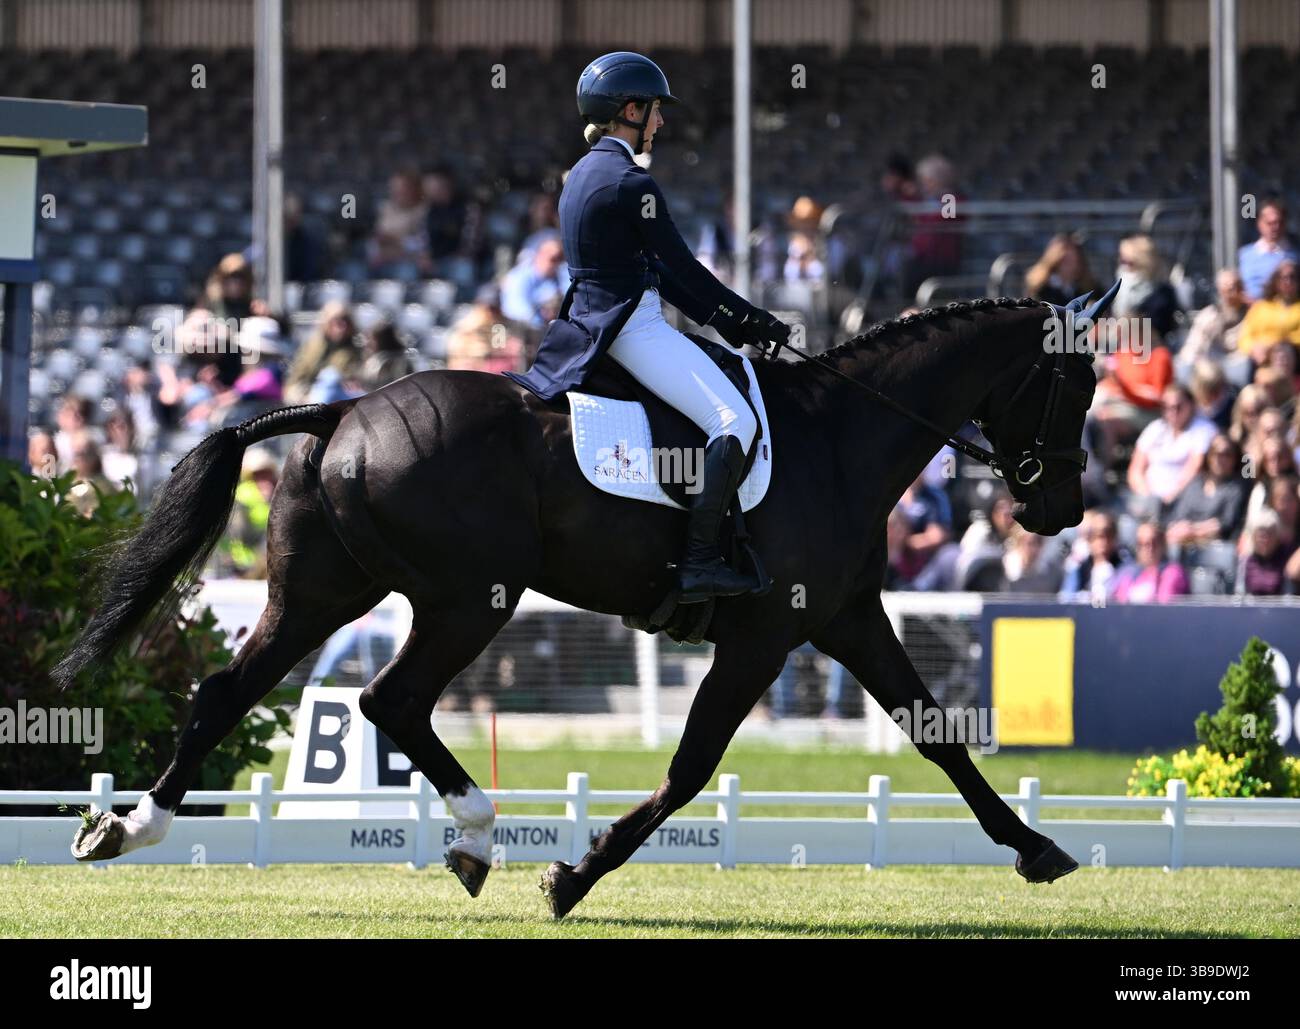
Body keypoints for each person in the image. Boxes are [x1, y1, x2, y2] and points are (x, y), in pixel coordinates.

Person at [503, 52, 789, 603]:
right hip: (632, 327)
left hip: (590, 322)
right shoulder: (631, 182)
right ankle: (700, 562)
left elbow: (661, 273)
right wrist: (751, 319)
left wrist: (741, 326)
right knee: (735, 420)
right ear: (630, 110)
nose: (661, 123)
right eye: (655, 111)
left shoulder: (580, 175)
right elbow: (682, 270)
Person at [1126, 384, 1217, 519]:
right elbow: (1135, 469)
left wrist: (1171, 496)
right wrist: (1147, 495)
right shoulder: (1155, 428)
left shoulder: (1203, 429)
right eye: (1167, 407)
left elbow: (1194, 467)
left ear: (1191, 405)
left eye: (1178, 407)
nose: (1173, 412)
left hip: (1182, 502)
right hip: (1148, 500)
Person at [1166, 434, 1246, 549]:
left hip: (1215, 546)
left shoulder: (1237, 488)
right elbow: (1179, 517)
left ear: (1235, 459)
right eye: (1215, 453)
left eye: (1227, 455)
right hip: (1182, 543)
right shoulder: (1195, 483)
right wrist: (1198, 529)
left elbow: (1226, 524)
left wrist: (1192, 531)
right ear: (1209, 456)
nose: (1220, 459)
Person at [1235, 259, 1300, 364]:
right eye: (1283, 278)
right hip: (1261, 359)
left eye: (1292, 277)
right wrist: (1254, 349)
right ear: (1276, 281)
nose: (1288, 282)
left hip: (1292, 360)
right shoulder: (1261, 307)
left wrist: (1273, 344)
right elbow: (1245, 337)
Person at [1112, 521, 1188, 603]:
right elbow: (1119, 603)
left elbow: (1165, 605)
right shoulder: (1129, 573)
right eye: (1142, 544)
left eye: (1154, 542)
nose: (1149, 548)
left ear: (1163, 544)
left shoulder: (1173, 572)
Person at [1237, 198, 1298, 301]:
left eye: (1279, 222)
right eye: (1270, 223)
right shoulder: (1244, 255)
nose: (1275, 227)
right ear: (1259, 223)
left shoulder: (1295, 256)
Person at [1025, 234, 1099, 308]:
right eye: (1065, 261)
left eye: (1073, 261)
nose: (1069, 266)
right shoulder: (1041, 289)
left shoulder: (1089, 288)